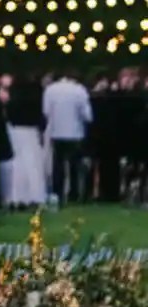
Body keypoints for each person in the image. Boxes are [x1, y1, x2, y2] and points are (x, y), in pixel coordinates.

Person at [43, 71, 93, 206]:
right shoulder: (79, 90)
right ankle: (74, 193)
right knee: (74, 164)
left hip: (56, 131)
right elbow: (87, 115)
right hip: (75, 132)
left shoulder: (51, 90)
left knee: (58, 164)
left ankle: (57, 192)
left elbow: (46, 111)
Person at [2, 74, 46, 209]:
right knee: (33, 164)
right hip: (31, 132)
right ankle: (35, 195)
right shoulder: (35, 101)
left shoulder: (12, 102)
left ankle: (16, 196)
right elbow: (42, 118)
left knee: (18, 165)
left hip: (15, 132)